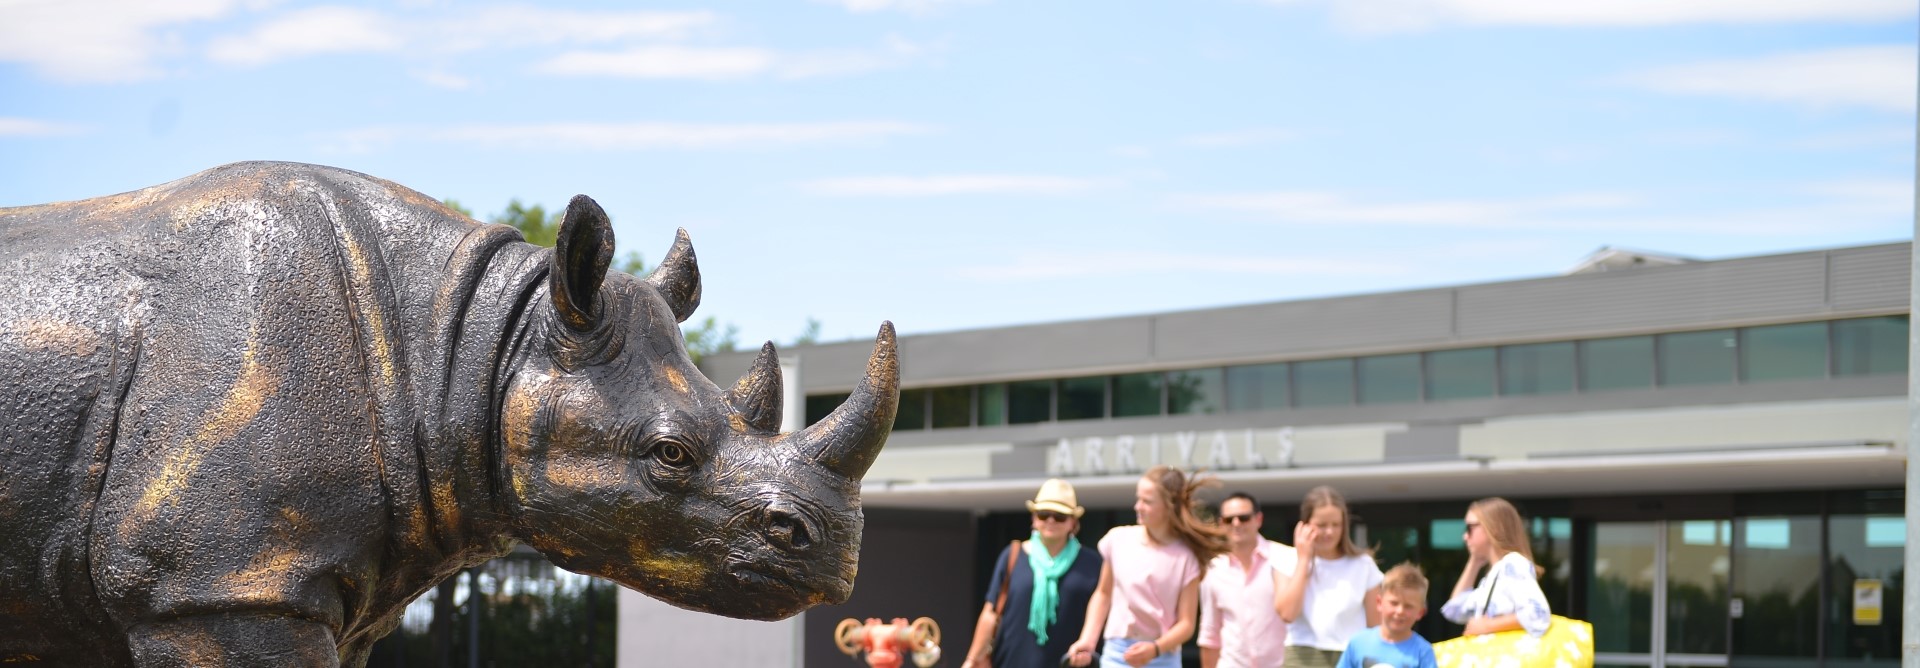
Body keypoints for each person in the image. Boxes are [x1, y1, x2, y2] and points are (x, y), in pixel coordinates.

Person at [1067, 466, 1230, 668]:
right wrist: (1088, 641)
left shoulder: (1186, 557)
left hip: (1162, 657)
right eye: (1138, 499)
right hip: (1117, 655)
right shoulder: (1118, 540)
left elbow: (1187, 624)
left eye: (1147, 501)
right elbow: (1103, 594)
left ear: (1168, 507)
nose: (1138, 506)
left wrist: (1155, 649)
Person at [962, 478, 1106, 668]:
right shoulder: (1012, 555)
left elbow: (1102, 613)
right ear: (1033, 519)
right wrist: (972, 660)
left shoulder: (1092, 562)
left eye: (1060, 516)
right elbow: (991, 613)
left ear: (1073, 522)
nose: (1051, 521)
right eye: (1043, 514)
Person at [1273, 486, 1382, 668]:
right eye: (1322, 525)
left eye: (1336, 524)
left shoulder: (1363, 565)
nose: (1329, 532)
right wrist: (1304, 560)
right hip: (1303, 656)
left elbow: (1375, 627)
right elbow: (1287, 613)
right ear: (1305, 526)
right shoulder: (1287, 560)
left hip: (1352, 655)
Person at [1198, 492, 1295, 668]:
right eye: (1229, 519)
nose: (1236, 524)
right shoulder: (1214, 570)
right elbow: (1210, 634)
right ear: (1221, 524)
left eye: (1243, 518)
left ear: (1258, 519)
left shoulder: (1285, 558)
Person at [1441, 497, 1550, 638]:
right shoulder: (1496, 573)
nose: (1465, 536)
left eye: (1469, 528)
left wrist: (1487, 626)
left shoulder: (1512, 564)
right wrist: (1474, 562)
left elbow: (1538, 614)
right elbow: (1455, 610)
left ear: (1493, 527)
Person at [1335, 563, 1437, 668]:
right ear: (1379, 603)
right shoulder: (1358, 643)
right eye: (1394, 603)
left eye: (1408, 606)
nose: (1400, 611)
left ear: (1420, 612)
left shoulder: (1423, 652)